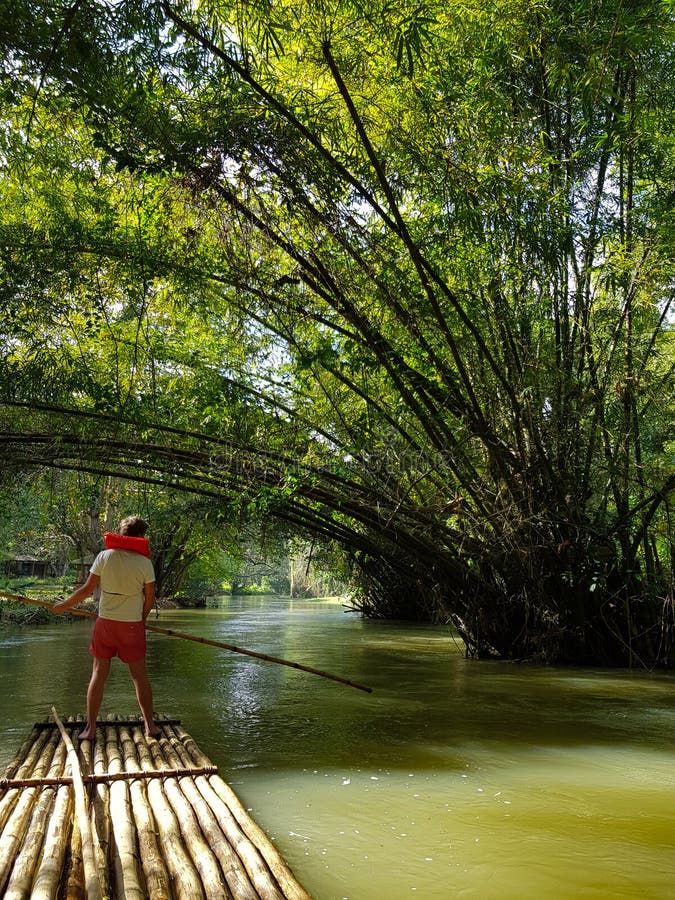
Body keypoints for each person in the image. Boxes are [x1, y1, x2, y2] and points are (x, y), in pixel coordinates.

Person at [53, 515, 161, 740]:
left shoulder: (104, 556)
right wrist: (141, 620)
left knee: (98, 674)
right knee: (139, 677)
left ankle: (90, 729)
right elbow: (149, 598)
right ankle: (149, 726)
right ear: (141, 537)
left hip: (106, 624)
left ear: (122, 534)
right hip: (131, 626)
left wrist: (64, 605)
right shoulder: (144, 563)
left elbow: (86, 590)